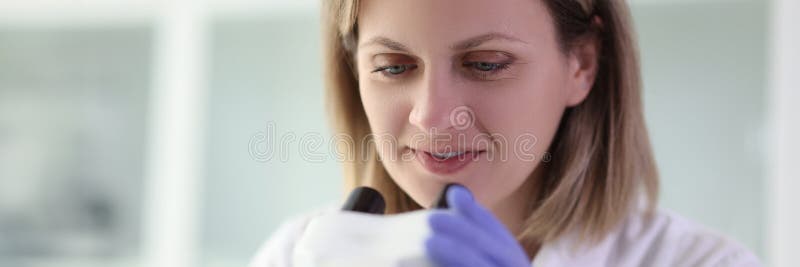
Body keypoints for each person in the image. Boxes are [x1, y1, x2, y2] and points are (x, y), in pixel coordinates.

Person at [250, 0, 761, 266]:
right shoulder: (295, 256)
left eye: (486, 64)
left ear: (582, 64)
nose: (432, 117)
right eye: (393, 67)